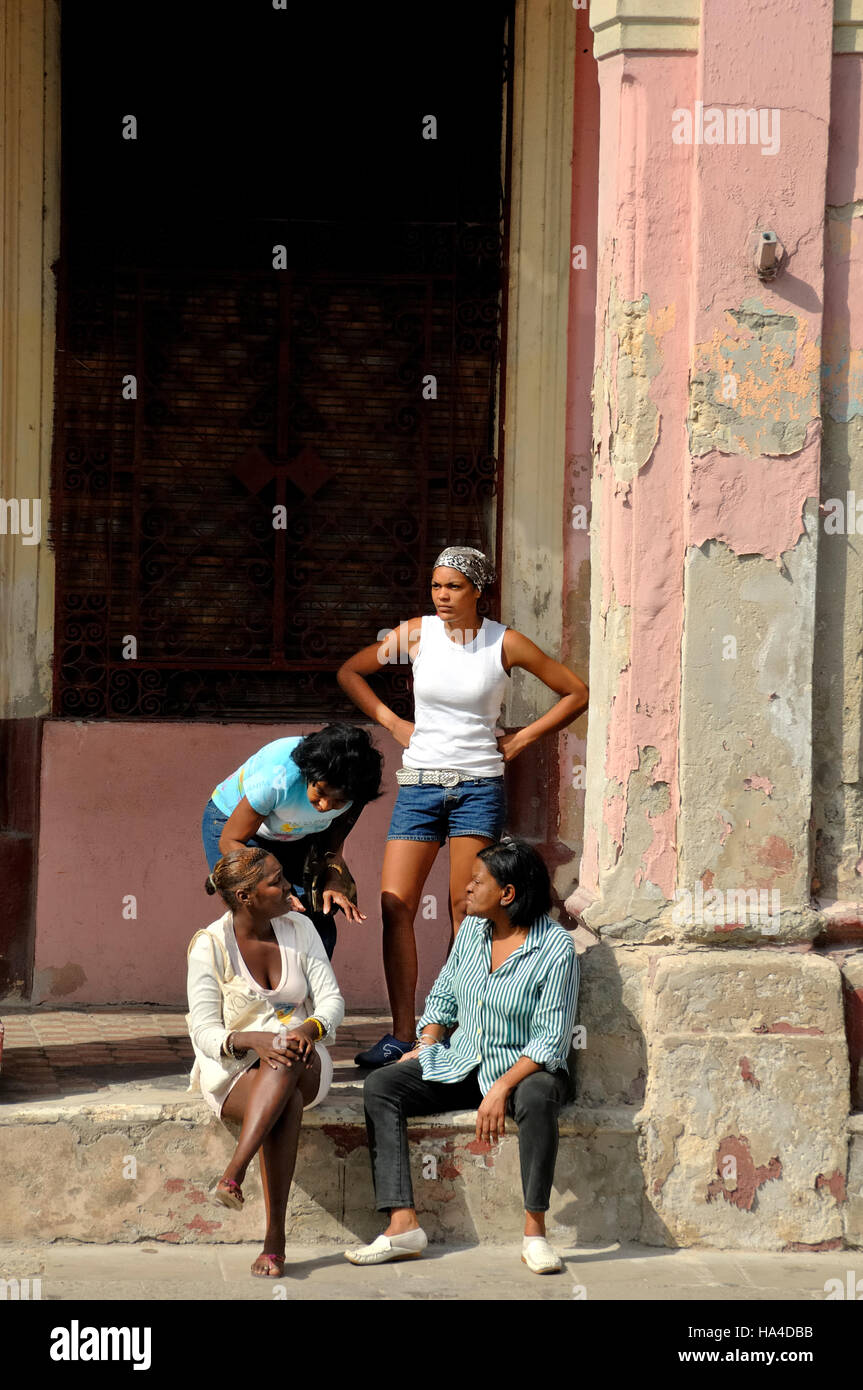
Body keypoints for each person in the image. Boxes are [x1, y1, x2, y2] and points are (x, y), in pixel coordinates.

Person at [337, 546, 588, 1065]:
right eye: (436, 587)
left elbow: (575, 693)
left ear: (478, 591)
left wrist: (521, 741)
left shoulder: (505, 643)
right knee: (395, 904)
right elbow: (350, 672)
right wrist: (392, 723)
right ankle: (403, 1034)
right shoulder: (416, 634)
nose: (442, 596)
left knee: (465, 913)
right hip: (420, 784)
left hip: (477, 785)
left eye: (453, 587)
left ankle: (446, 1033)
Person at [345, 838, 579, 1273]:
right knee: (382, 1084)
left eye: (477, 882)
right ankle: (402, 1224)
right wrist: (427, 1044)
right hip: (466, 1060)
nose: (466, 890)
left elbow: (550, 1041)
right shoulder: (471, 931)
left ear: (507, 894)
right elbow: (444, 998)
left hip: (525, 1070)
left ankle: (535, 1233)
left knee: (537, 1096)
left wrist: (501, 1088)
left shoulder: (555, 948)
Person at [186, 847, 345, 1278]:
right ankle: (275, 1239)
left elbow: (331, 1001)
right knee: (284, 1099)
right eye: (275, 882)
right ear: (244, 896)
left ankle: (233, 1173)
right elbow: (202, 1031)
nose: (289, 888)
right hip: (233, 1070)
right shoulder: (209, 946)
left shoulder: (301, 929)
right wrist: (251, 1040)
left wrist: (308, 1029)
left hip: (304, 1058)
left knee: (285, 1056)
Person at [202, 723, 383, 960]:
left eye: (339, 802)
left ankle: (315, 994)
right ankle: (266, 994)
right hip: (234, 828)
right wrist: (278, 886)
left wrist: (333, 875)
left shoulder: (355, 794)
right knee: (265, 909)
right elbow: (231, 840)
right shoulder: (278, 776)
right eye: (320, 793)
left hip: (295, 833)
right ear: (308, 774)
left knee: (318, 920)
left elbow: (330, 847)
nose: (325, 807)